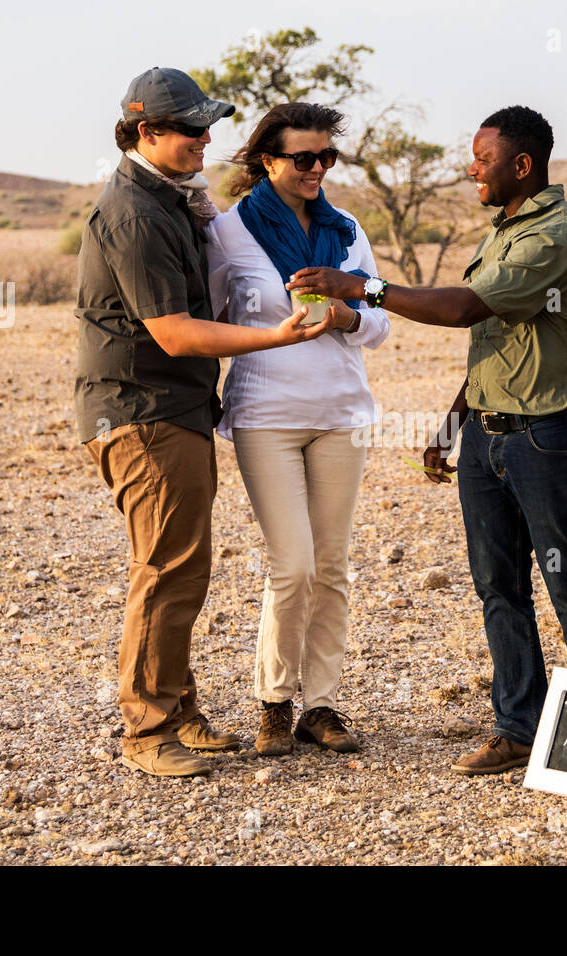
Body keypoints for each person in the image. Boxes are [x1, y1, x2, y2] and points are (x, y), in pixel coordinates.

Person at [289, 105, 567, 775]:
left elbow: (465, 308)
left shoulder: (552, 237)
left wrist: (363, 287)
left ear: (521, 166)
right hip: (489, 437)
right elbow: (498, 341)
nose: (472, 168)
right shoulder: (506, 231)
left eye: (483, 159)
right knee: (498, 587)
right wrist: (452, 425)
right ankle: (518, 726)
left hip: (548, 438)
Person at [74, 67, 333, 778]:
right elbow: (176, 334)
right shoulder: (133, 214)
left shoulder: (169, 201)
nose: (204, 139)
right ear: (146, 131)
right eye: (190, 129)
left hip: (174, 409)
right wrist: (274, 338)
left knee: (184, 562)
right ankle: (148, 729)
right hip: (142, 409)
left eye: (206, 127)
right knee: (165, 566)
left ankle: (179, 712)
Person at [205, 103, 390, 757]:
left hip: (342, 414)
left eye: (326, 158)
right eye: (303, 158)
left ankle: (323, 705)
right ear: (267, 160)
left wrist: (346, 315)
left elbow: (380, 322)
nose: (317, 169)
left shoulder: (346, 232)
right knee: (294, 564)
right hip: (266, 416)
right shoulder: (228, 235)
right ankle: (274, 704)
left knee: (333, 565)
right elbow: (207, 320)